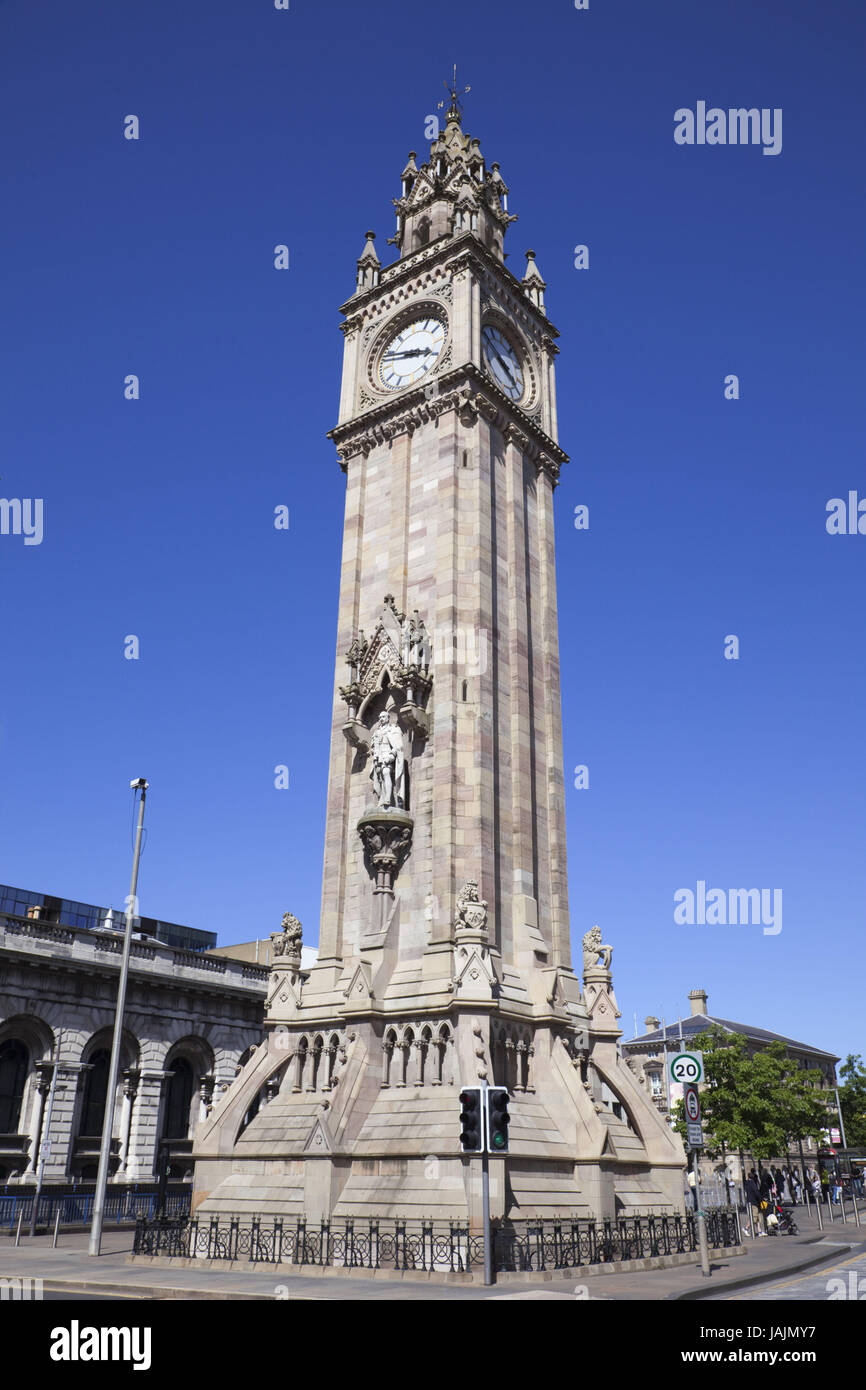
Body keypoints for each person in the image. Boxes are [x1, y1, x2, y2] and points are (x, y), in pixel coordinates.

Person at [745, 1171, 764, 1237]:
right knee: (754, 1217)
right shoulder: (752, 1183)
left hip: (751, 1201)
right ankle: (746, 1228)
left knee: (758, 1217)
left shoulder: (747, 1183)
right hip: (754, 1202)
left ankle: (759, 1231)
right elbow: (756, 1192)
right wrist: (761, 1198)